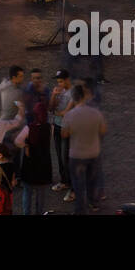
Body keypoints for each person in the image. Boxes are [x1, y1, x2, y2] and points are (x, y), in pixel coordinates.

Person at [61, 81, 106, 214]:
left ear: (74, 98)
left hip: (77, 155)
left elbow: (64, 134)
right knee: (92, 180)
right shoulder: (95, 113)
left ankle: (80, 209)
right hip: (93, 152)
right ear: (84, 97)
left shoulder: (70, 115)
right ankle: (94, 203)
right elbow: (103, 130)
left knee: (78, 184)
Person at [49, 70, 74, 198]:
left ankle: (70, 182)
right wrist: (53, 95)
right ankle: (64, 181)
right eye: (58, 81)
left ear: (67, 80)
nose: (59, 84)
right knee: (59, 156)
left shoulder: (73, 93)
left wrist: (57, 113)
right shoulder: (59, 91)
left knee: (65, 157)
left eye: (61, 81)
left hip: (67, 128)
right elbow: (51, 108)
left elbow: (66, 112)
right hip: (57, 126)